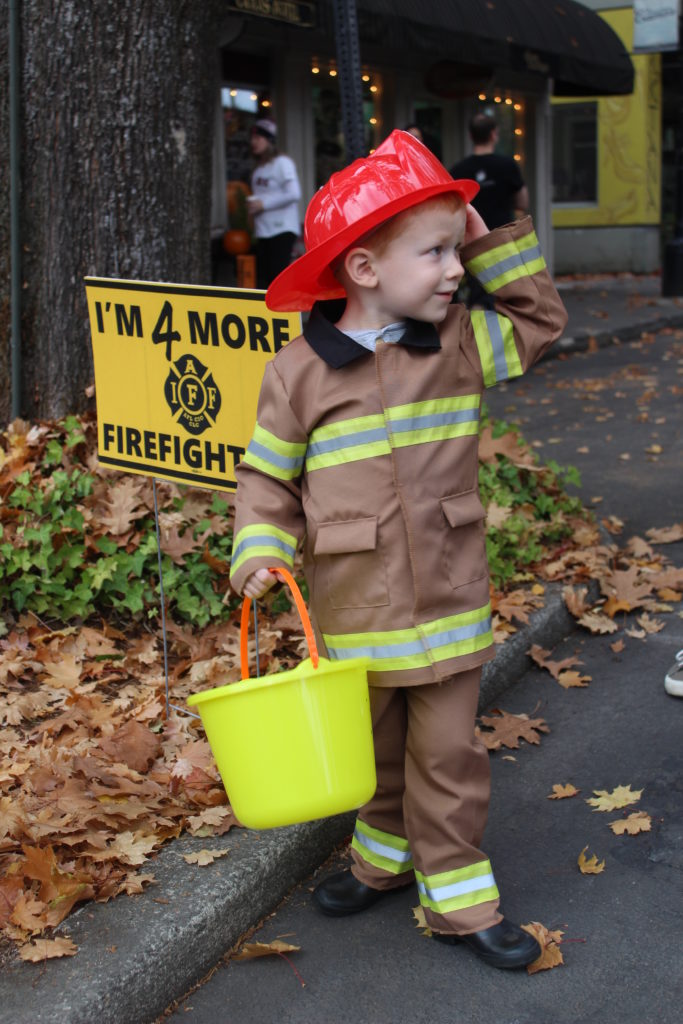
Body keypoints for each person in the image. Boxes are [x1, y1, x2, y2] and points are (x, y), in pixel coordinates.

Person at [229, 130, 567, 970]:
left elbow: (539, 317)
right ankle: (379, 862)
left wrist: (476, 225)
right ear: (365, 271)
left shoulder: (456, 345)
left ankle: (460, 896)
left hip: (447, 598)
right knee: (376, 754)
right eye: (437, 253)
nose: (456, 271)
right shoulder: (297, 372)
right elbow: (268, 480)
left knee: (448, 753)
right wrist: (259, 550)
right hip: (355, 611)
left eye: (460, 252)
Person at [247, 118, 302, 289]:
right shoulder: (259, 168)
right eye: (252, 138)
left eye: (258, 138)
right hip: (263, 230)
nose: (253, 142)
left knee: (277, 280)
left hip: (281, 229)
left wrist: (264, 204)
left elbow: (294, 193)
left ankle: (284, 315)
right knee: (263, 282)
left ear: (269, 140)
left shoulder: (282, 163)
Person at [450, 112, 529, 229]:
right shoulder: (508, 165)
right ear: (493, 135)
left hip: (472, 237)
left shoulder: (458, 169)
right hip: (501, 235)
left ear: (471, 136)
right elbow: (522, 203)